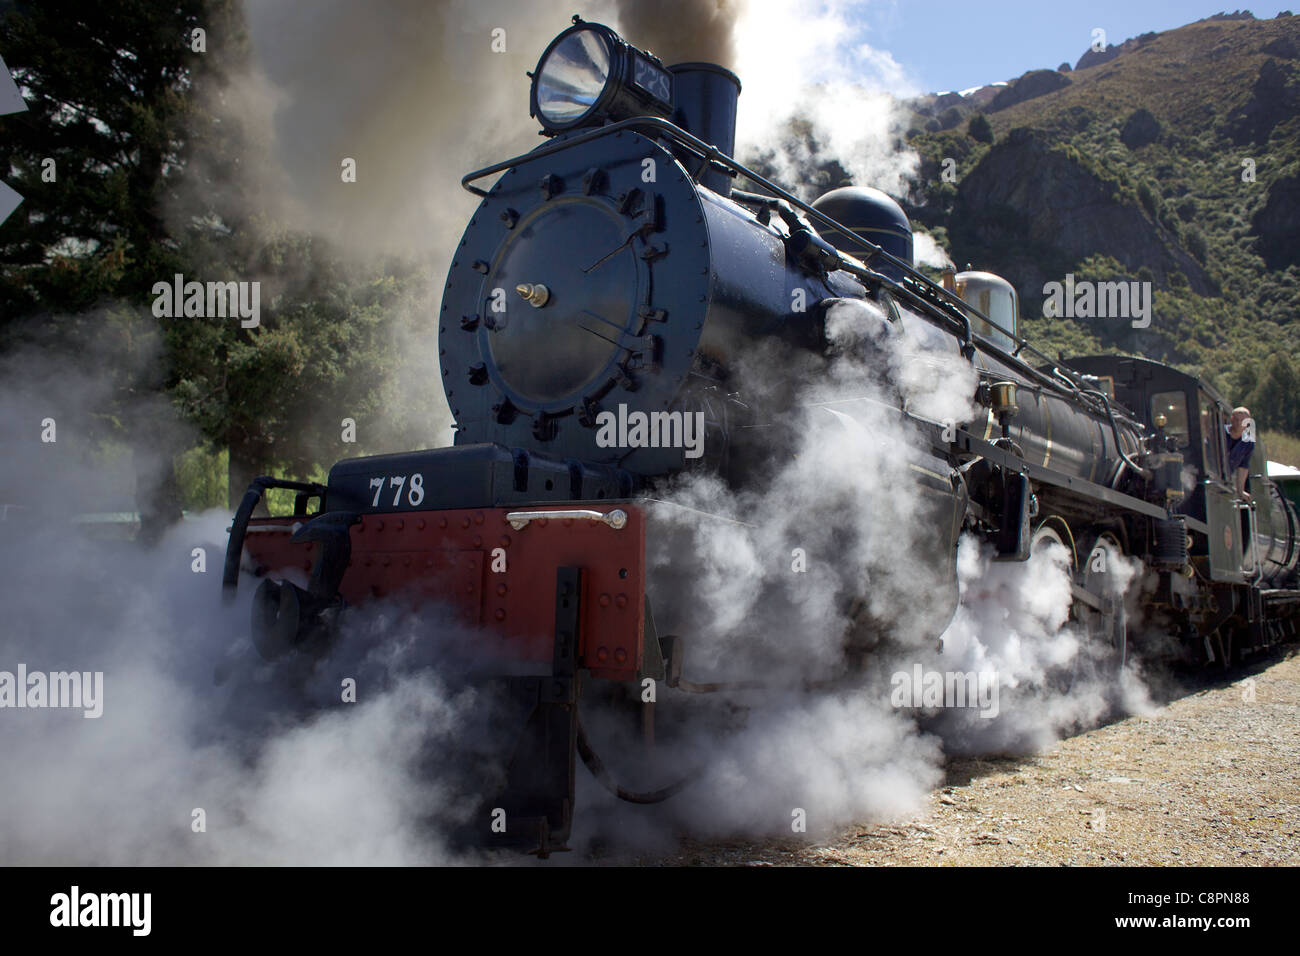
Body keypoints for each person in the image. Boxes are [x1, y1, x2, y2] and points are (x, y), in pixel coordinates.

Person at [1225, 406, 1255, 503]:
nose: (1239, 423)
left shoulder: (1248, 443)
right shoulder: (1219, 432)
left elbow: (1243, 466)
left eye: (1242, 420)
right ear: (1231, 419)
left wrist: (1240, 490)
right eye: (1236, 420)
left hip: (1227, 479)